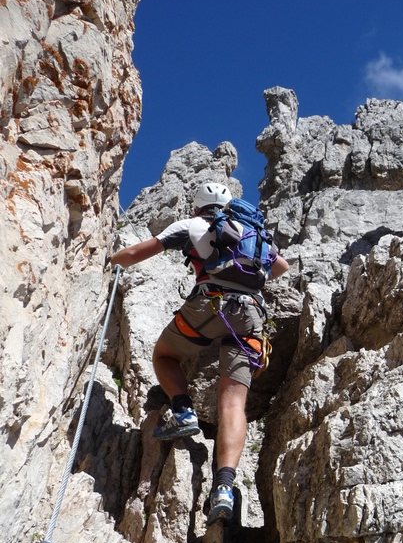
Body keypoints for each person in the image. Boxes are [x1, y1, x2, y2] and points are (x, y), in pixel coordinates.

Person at [112, 182, 289, 524]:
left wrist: (108, 259)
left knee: (164, 355)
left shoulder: (193, 225)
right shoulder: (255, 234)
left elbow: (135, 254)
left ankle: (183, 411)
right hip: (251, 315)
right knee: (233, 403)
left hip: (210, 305)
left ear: (198, 207)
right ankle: (223, 487)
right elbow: (279, 268)